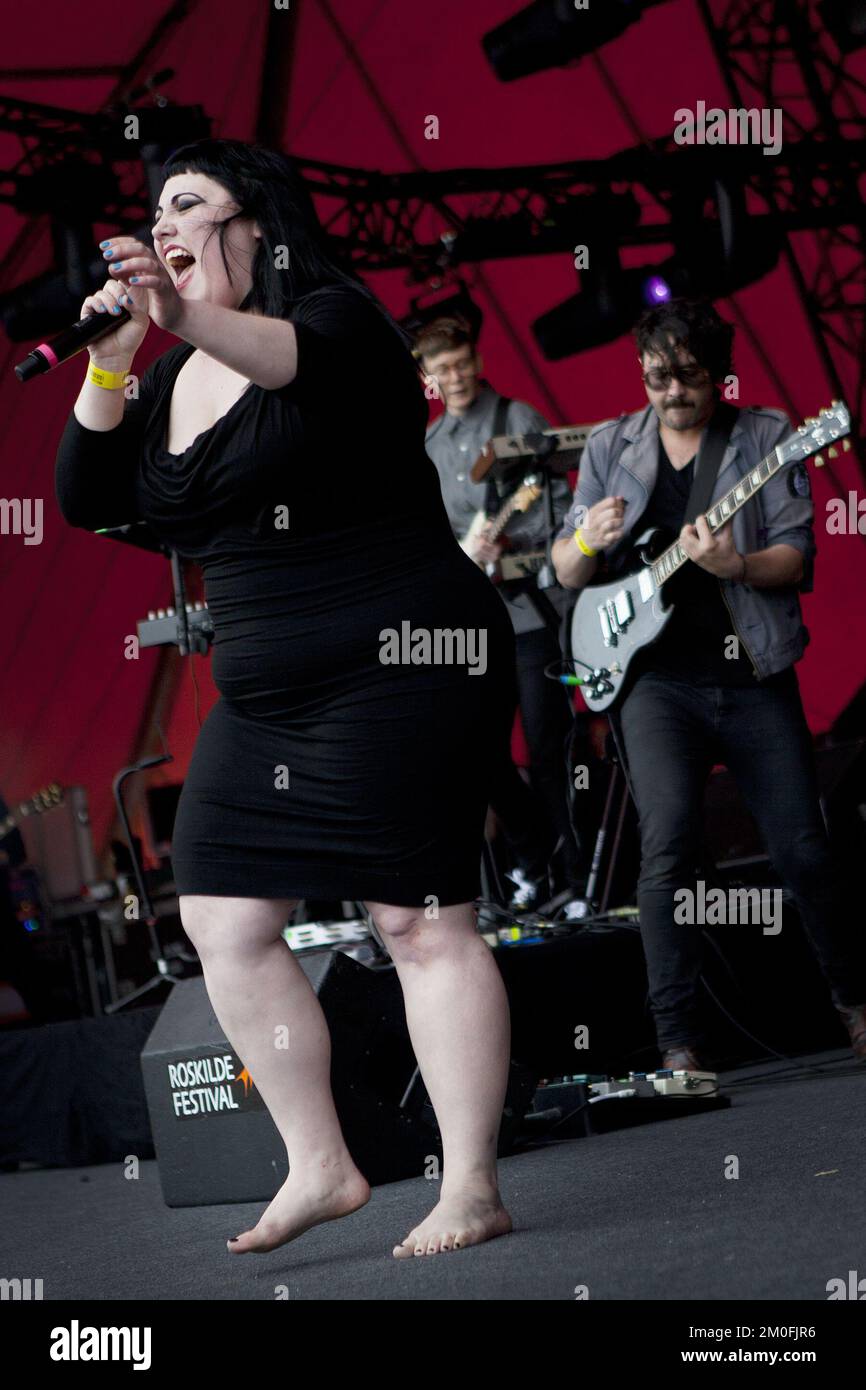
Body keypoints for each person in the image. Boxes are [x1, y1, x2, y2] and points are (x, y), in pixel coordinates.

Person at [55, 138, 518, 1257]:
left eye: (188, 205)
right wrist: (112, 362)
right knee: (219, 916)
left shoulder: (334, 318)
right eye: (151, 213)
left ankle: (469, 1183)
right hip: (267, 699)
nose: (162, 230)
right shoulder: (167, 372)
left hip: (400, 655)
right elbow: (85, 495)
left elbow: (288, 364)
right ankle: (320, 1162)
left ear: (254, 220)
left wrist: (181, 321)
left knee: (416, 918)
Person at [552, 297, 866, 1068]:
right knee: (666, 848)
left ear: (718, 373)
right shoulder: (609, 446)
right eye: (657, 374)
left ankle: (854, 1002)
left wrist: (737, 566)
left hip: (754, 673)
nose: (671, 390)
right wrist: (587, 540)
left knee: (803, 847)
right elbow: (565, 570)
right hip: (658, 684)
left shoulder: (765, 437)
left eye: (688, 374)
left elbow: (797, 558)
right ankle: (680, 1044)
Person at [417, 315, 588, 911]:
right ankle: (532, 852)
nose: (456, 376)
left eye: (462, 363)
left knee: (550, 747)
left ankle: (575, 877)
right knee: (474, 750)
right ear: (427, 378)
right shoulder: (430, 446)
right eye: (442, 369)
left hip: (535, 616)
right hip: (472, 626)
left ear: (478, 361)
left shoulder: (518, 420)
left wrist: (512, 542)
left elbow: (565, 506)